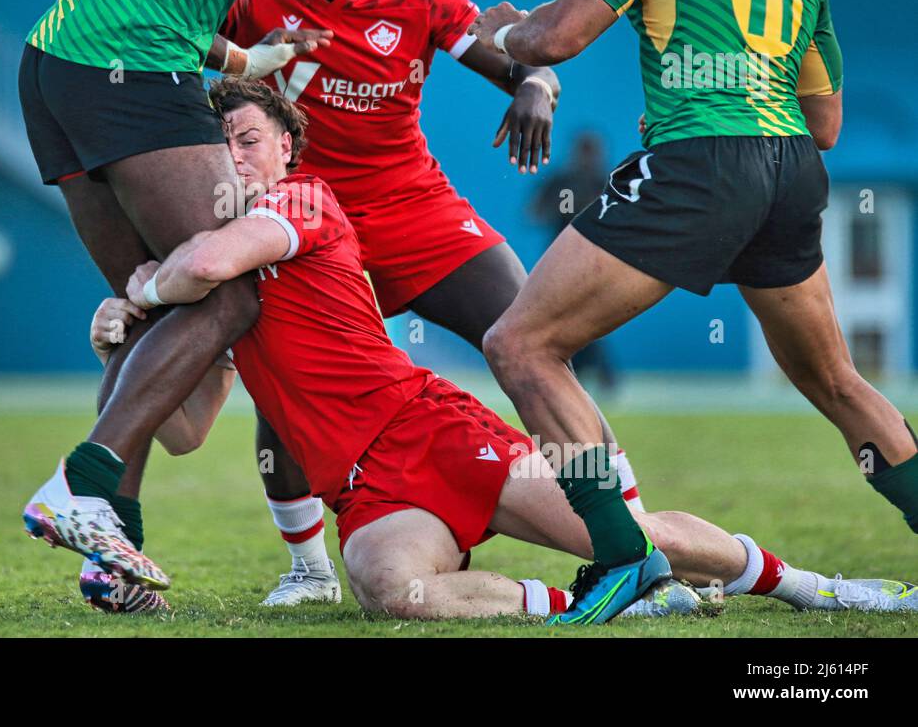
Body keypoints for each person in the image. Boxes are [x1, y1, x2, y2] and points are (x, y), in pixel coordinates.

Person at [96, 78, 915, 620]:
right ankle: (582, 607)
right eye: (221, 146)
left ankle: (818, 588)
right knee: (391, 590)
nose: (234, 157)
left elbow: (203, 262)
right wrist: (121, 348)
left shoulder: (301, 200)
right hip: (364, 490)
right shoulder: (216, 287)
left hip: (429, 432)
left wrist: (142, 286)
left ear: (287, 148)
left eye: (247, 138)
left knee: (630, 534)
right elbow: (184, 431)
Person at [468, 0, 918, 624]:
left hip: (703, 163)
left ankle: (624, 558)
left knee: (521, 345)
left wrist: (502, 31)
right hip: (790, 168)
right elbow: (826, 123)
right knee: (835, 380)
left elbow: (556, 37)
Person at [204, 0, 642, 606]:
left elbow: (522, 62)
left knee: (534, 346)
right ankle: (309, 570)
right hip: (306, 221)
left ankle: (633, 538)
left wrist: (536, 88)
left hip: (415, 209)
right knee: (287, 393)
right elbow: (169, 26)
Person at [19, 0, 382, 593]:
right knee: (229, 290)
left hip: (52, 66)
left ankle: (114, 553)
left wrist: (252, 59)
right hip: (132, 72)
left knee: (152, 304)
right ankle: (83, 482)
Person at [529, 131, 618, 393]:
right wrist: (561, 209)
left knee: (589, 317)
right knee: (566, 316)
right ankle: (581, 371)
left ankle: (598, 373)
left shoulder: (607, 182)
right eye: (584, 151)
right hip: (561, 261)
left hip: (595, 261)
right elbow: (534, 212)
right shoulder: (561, 181)